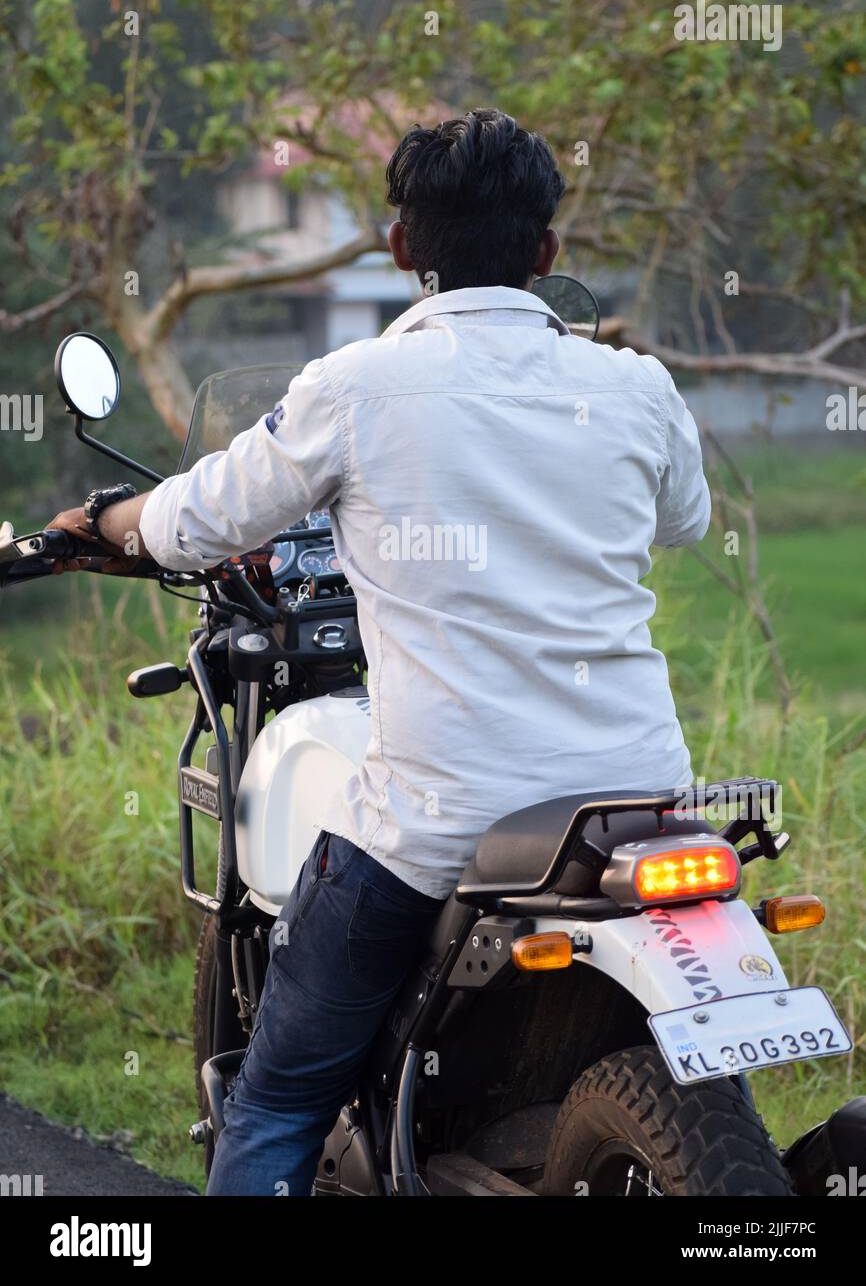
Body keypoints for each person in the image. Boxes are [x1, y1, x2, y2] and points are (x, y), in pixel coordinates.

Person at [49, 107, 711, 1195]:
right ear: (545, 254)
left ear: (402, 248)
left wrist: (107, 525)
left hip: (439, 823)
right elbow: (680, 518)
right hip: (635, 806)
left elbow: (195, 521)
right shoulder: (632, 387)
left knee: (276, 1099)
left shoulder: (354, 389)